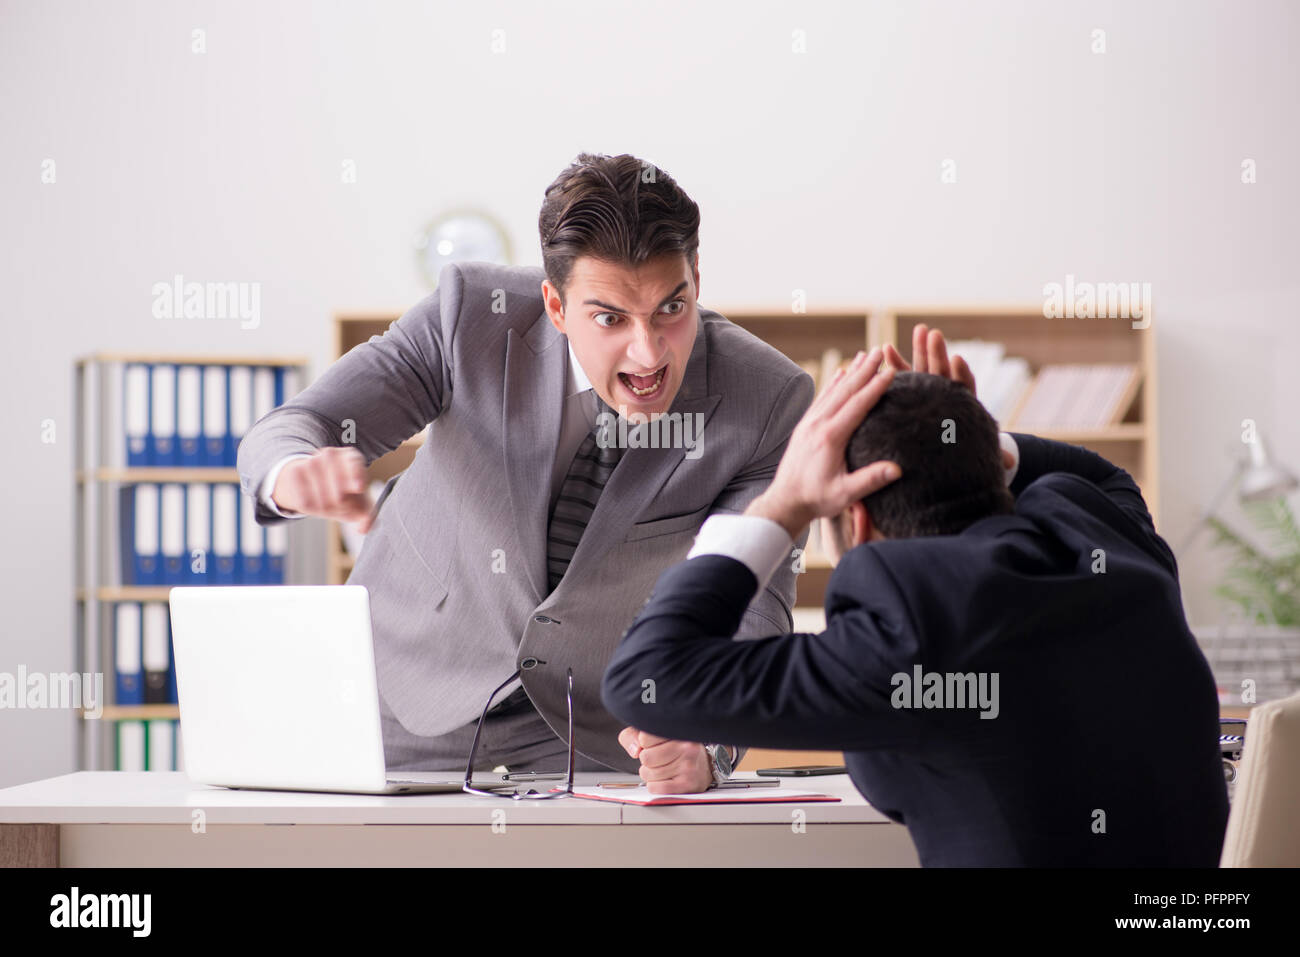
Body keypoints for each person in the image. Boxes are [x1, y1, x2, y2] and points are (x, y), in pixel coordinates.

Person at [237, 152, 815, 792]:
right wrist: (293, 472)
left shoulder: (768, 400)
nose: (649, 353)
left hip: (591, 743)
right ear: (555, 304)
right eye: (610, 318)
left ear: (697, 279)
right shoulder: (469, 317)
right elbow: (300, 423)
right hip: (400, 703)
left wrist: (709, 742)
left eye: (670, 309)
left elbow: (753, 607)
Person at [601, 328, 1230, 864]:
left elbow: (643, 678)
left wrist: (782, 503)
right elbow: (1101, 476)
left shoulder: (908, 628)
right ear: (999, 478)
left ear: (862, 524)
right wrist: (967, 437)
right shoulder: (1112, 547)